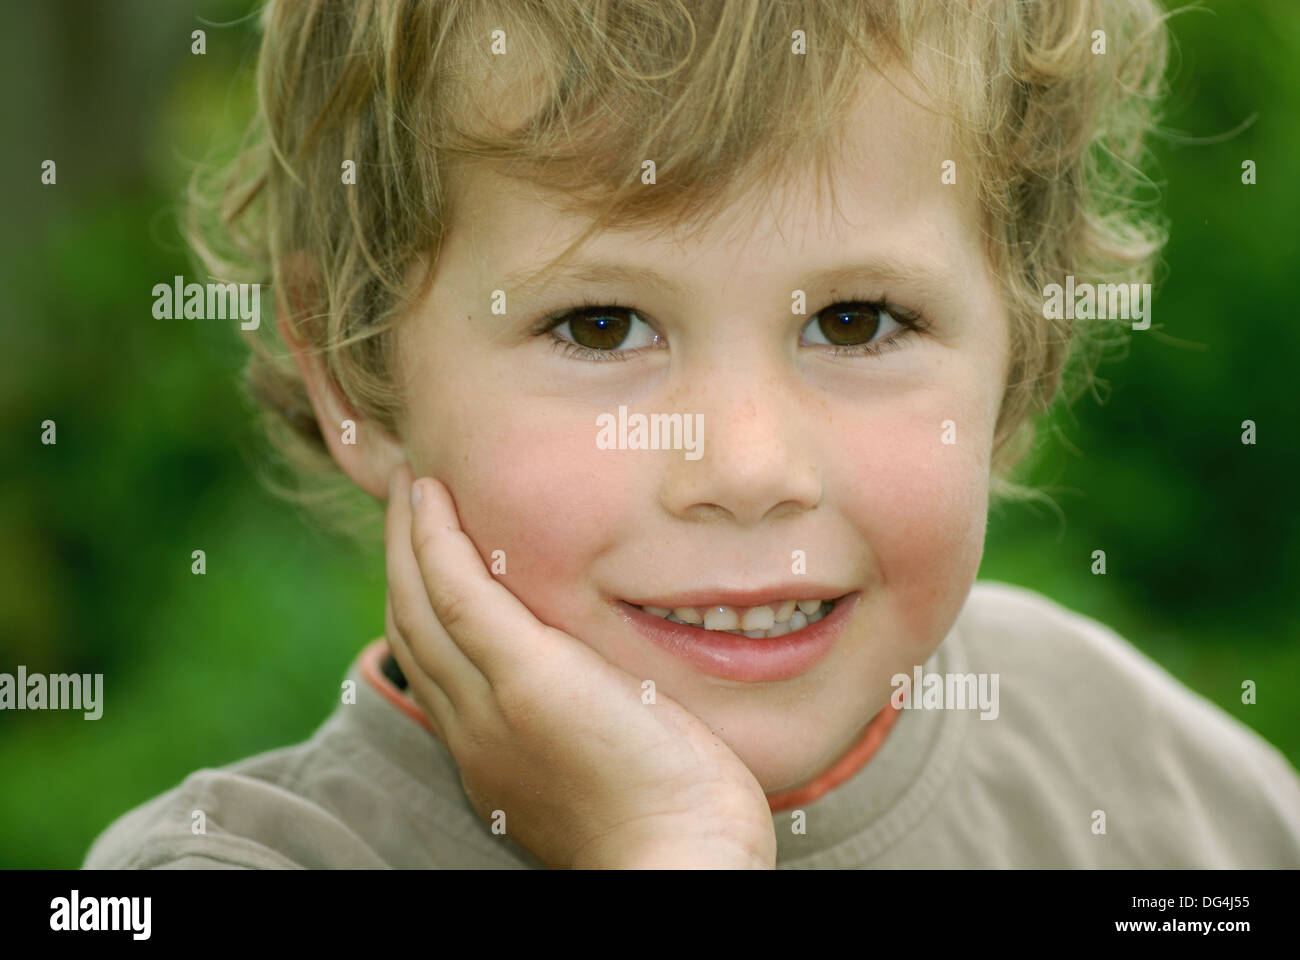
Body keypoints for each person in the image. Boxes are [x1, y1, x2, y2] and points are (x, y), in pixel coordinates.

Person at [84, 0, 1300, 869]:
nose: (747, 468)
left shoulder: (1163, 792)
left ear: (1020, 348)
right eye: (603, 326)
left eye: (856, 318)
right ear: (355, 372)